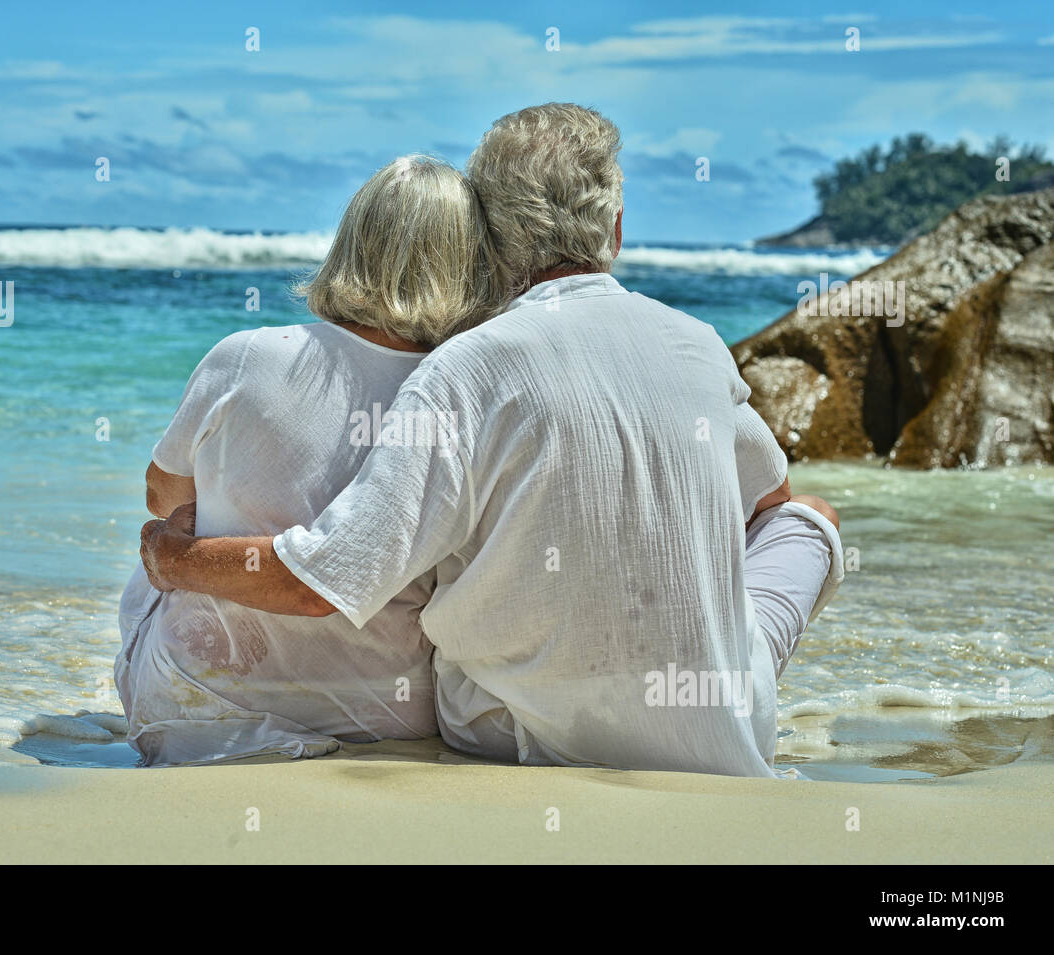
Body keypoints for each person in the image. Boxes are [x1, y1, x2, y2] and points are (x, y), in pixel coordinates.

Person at [140, 103, 845, 777]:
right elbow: (769, 501)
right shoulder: (698, 343)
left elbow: (327, 579)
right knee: (808, 518)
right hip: (724, 724)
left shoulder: (467, 367)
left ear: (490, 240)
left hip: (517, 733)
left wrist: (177, 561)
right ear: (618, 229)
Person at [116, 155, 506, 765]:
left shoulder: (248, 355)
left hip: (210, 701)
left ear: (350, 244)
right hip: (392, 713)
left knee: (160, 546)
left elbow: (163, 496)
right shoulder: (467, 390)